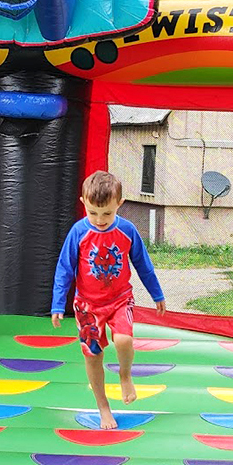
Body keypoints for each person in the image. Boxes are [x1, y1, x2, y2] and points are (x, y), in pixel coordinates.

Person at [51, 170, 166, 429]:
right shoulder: (78, 232)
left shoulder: (127, 230)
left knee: (123, 339)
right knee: (93, 355)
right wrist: (58, 303)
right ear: (83, 203)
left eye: (107, 213)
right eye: (93, 213)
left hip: (120, 300)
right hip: (87, 306)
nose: (100, 220)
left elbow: (143, 264)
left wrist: (156, 293)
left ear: (119, 204)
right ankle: (103, 407)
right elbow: (64, 268)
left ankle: (125, 375)